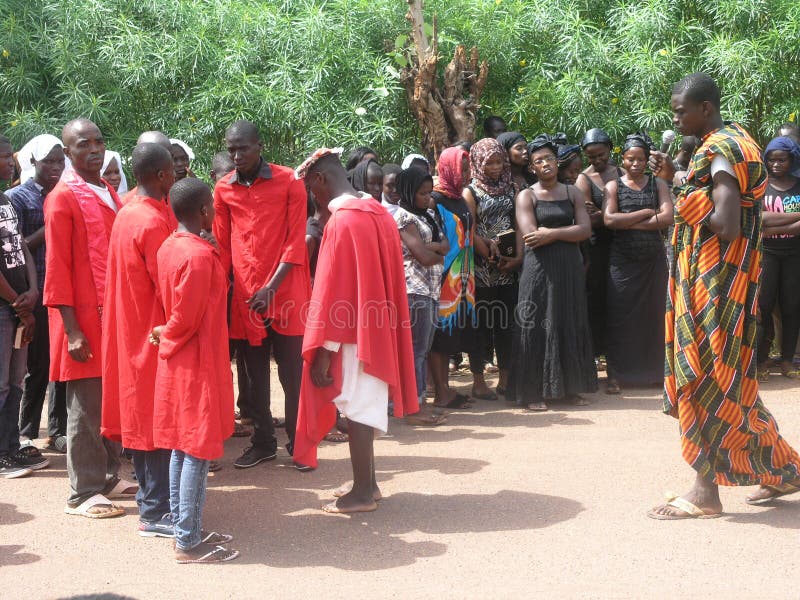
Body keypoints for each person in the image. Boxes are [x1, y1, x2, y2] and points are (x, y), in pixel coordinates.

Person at [647, 72, 800, 519]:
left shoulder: (719, 150)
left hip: (714, 288)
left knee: (706, 379)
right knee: (730, 383)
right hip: (731, 283)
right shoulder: (739, 142)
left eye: (680, 110)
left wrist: (679, 182)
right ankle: (785, 470)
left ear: (705, 108)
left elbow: (727, 222)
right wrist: (678, 176)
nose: (676, 117)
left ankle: (705, 492)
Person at [293, 148, 417, 512]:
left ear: (319, 180)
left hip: (353, 332)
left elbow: (336, 291)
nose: (312, 197)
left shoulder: (343, 222)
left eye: (310, 189)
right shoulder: (375, 211)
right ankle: (371, 483)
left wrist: (324, 351)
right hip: (377, 323)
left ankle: (362, 492)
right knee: (365, 400)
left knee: (359, 406)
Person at [45, 119, 137, 517]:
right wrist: (71, 329)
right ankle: (83, 491)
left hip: (111, 316)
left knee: (109, 399)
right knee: (85, 403)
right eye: (84, 144)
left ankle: (108, 475)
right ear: (68, 153)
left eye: (100, 142)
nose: (95, 149)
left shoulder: (110, 192)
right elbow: (57, 269)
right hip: (81, 319)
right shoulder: (63, 198)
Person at [213, 120, 310, 468]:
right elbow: (222, 246)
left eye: (243, 148)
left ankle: (300, 443)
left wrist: (272, 287)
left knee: (292, 373)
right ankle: (264, 441)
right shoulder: (223, 189)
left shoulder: (289, 181)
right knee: (253, 376)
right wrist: (217, 290)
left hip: (286, 293)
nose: (236, 155)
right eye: (231, 149)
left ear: (260, 146)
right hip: (246, 298)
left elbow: (296, 240)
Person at [151, 177, 238, 563]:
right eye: (213, 207)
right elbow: (186, 319)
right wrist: (166, 333)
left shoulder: (171, 245)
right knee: (196, 450)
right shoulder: (199, 256)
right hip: (196, 360)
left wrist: (163, 333)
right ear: (204, 211)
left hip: (182, 360)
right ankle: (188, 540)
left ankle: (183, 525)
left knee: (181, 447)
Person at [101, 143, 177, 537]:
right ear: (163, 175)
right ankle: (155, 510)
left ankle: (157, 504)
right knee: (154, 420)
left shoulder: (128, 212)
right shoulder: (150, 221)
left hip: (133, 331)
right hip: (153, 332)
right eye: (173, 172)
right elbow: (169, 281)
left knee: (147, 416)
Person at [509, 134, 597, 411]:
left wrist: (553, 233)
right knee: (537, 325)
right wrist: (560, 234)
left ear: (556, 162)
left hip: (569, 267)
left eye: (548, 158)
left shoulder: (573, 193)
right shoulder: (527, 195)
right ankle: (533, 393)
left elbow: (585, 230)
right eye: (538, 161)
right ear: (532, 167)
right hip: (539, 269)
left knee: (567, 320)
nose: (545, 164)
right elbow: (531, 236)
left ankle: (570, 388)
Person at [6, 135, 68, 450]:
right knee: (30, 365)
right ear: (34, 162)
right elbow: (17, 248)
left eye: (60, 161)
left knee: (57, 362)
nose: (56, 167)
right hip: (30, 291)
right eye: (49, 161)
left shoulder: (66, 195)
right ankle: (26, 430)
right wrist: (48, 229)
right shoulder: (18, 197)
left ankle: (57, 430)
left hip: (58, 289)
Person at [602, 133, 673, 394]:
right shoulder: (613, 186)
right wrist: (645, 213)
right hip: (622, 261)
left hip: (653, 260)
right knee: (620, 317)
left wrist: (629, 219)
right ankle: (617, 375)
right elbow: (609, 220)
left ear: (646, 161)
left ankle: (655, 373)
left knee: (655, 316)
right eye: (631, 159)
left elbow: (667, 218)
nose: (635, 164)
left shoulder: (658, 185)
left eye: (640, 159)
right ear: (623, 160)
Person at [0, 135, 46, 478]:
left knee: (15, 380)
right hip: (7, 309)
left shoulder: (5, 201)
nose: (11, 163)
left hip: (20, 305)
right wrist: (19, 305)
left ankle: (10, 448)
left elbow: (23, 249)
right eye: (4, 158)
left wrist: (32, 289)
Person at [463, 137, 521, 400]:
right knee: (481, 325)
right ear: (478, 163)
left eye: (499, 162)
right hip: (481, 266)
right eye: (490, 163)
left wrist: (516, 257)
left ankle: (506, 378)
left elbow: (518, 223)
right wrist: (488, 255)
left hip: (507, 266)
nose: (496, 167)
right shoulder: (471, 192)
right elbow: (469, 229)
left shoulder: (512, 188)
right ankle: (478, 381)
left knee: (506, 324)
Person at [394, 167, 448, 425]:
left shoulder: (427, 213)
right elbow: (424, 257)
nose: (427, 198)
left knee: (423, 349)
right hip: (414, 289)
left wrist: (434, 249)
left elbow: (446, 245)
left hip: (431, 288)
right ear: (407, 191)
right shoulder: (403, 218)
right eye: (422, 193)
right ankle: (415, 407)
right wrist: (435, 253)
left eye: (429, 192)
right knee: (417, 350)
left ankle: (414, 402)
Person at [428, 146, 475, 409]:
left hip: (463, 278)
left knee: (450, 337)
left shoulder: (460, 198)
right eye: (462, 168)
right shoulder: (436, 199)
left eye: (468, 169)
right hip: (443, 276)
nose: (467, 174)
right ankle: (441, 392)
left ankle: (445, 390)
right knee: (440, 338)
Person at [755, 136, 800, 380]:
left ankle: (786, 360)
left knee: (792, 306)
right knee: (763, 306)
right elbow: (759, 220)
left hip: (795, 254)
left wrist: (773, 226)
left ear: (791, 159)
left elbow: (767, 222)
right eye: (771, 160)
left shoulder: (799, 184)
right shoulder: (761, 186)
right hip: (767, 253)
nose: (776, 164)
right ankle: (761, 361)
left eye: (781, 159)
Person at [575, 128, 618, 359]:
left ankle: (618, 353)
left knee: (619, 299)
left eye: (601, 154)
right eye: (591, 157)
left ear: (610, 149)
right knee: (598, 297)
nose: (597, 160)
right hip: (597, 247)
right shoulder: (584, 178)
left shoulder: (621, 171)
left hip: (621, 244)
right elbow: (589, 218)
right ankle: (597, 353)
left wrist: (606, 214)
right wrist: (615, 214)